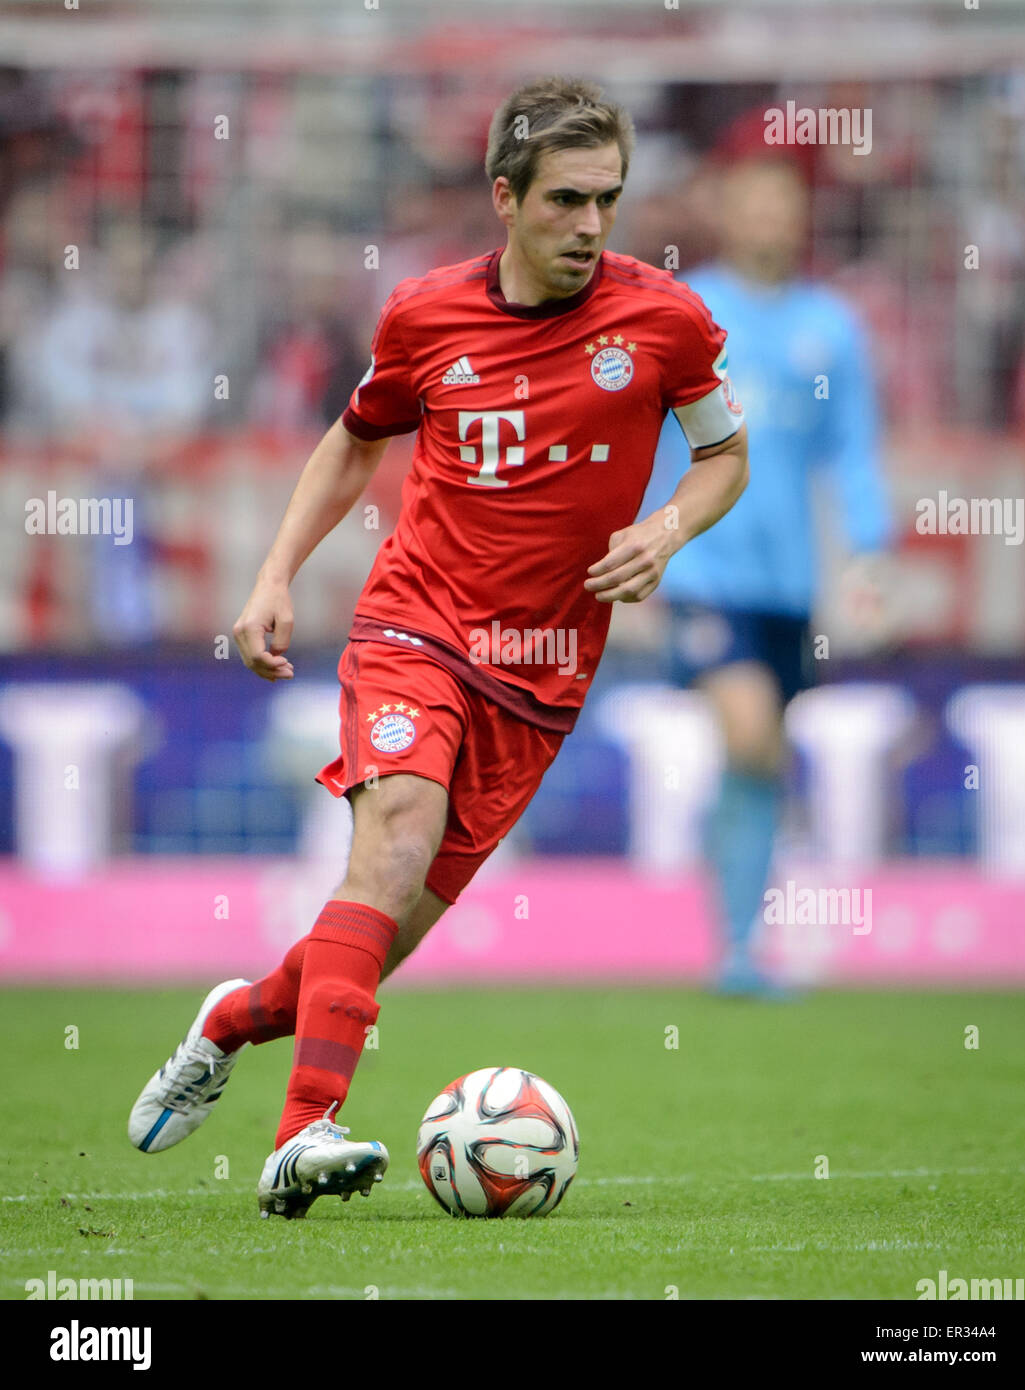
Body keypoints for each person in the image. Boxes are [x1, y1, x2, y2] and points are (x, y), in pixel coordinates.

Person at [128, 77, 749, 1218]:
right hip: (415, 626)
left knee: (375, 938)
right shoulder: (424, 316)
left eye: (607, 199)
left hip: (543, 674)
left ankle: (231, 1018)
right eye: (565, 200)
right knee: (395, 840)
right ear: (504, 197)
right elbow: (353, 439)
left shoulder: (666, 320)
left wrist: (666, 529)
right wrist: (274, 575)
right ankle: (301, 1134)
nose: (590, 225)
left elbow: (723, 457)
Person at [645, 152, 893, 997]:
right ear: (727, 216)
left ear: (801, 219)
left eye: (783, 207)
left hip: (789, 582)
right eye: (753, 206)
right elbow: (643, 428)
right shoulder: (690, 311)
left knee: (762, 757)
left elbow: (851, 447)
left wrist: (870, 548)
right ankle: (733, 930)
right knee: (750, 734)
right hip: (703, 567)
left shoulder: (832, 326)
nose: (769, 221)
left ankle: (741, 951)